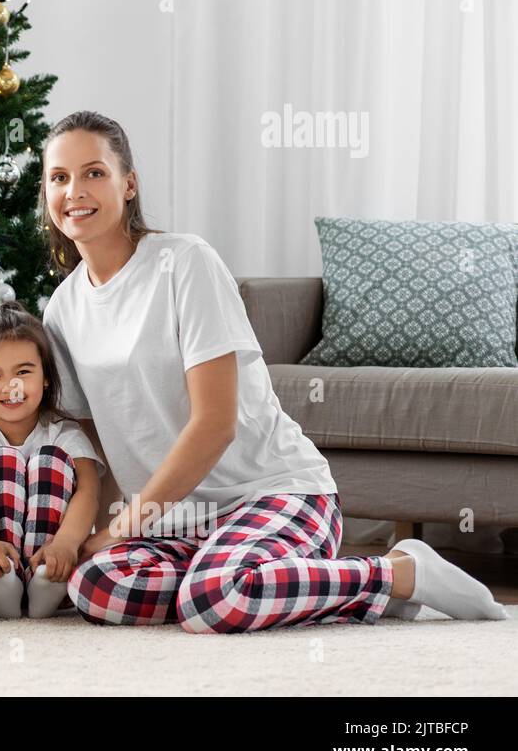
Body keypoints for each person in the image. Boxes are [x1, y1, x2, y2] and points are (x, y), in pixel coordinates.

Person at [38, 110, 508, 631]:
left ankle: (396, 573)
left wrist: (124, 527)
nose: (74, 190)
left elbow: (215, 425)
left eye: (94, 172)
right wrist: (87, 540)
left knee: (214, 600)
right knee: (97, 587)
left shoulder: (184, 263)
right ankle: (280, 586)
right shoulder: (62, 310)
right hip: (179, 523)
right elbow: (95, 447)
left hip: (275, 493)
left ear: (128, 185)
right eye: (59, 177)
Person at [0, 301, 102, 618]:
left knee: (49, 459)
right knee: (3, 461)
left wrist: (66, 545)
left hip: (58, 562)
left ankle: (46, 582)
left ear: (45, 377)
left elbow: (89, 491)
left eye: (23, 372)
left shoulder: (63, 433)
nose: (10, 386)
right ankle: (3, 579)